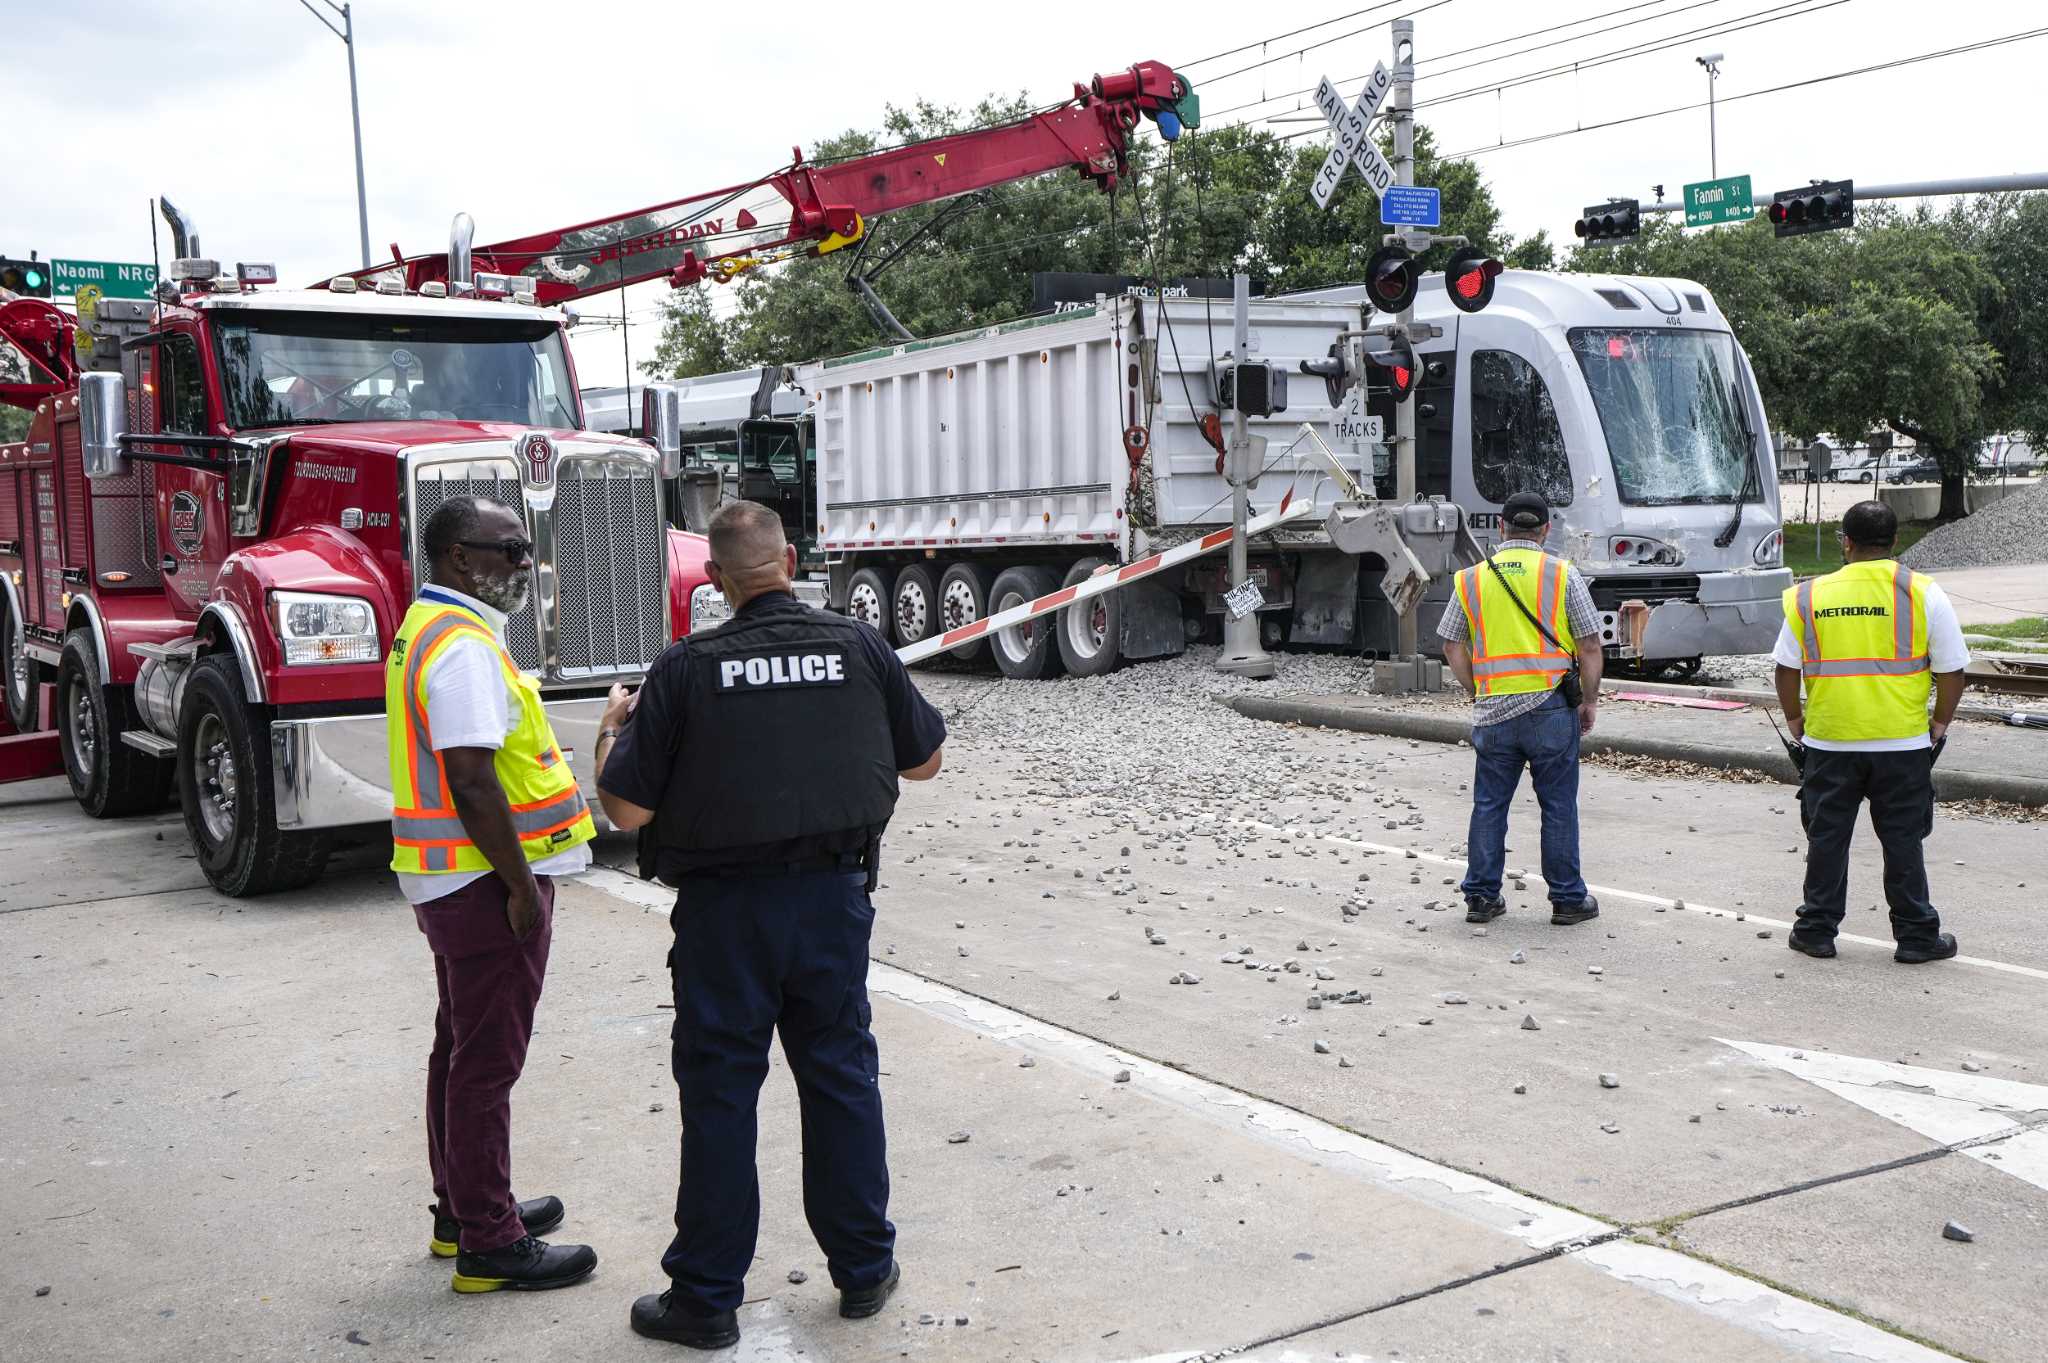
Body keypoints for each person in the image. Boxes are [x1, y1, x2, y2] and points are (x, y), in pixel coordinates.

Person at [595, 500, 946, 1351]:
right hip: (832, 904)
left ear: (715, 580)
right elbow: (925, 758)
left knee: (720, 1097)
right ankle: (864, 1270)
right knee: (840, 1079)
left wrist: (612, 728)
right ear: (789, 559)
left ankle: (706, 1297)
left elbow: (627, 806)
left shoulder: (684, 667)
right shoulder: (858, 645)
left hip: (725, 917)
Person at [387, 495, 599, 1294]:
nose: (522, 563)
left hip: (446, 877)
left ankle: (463, 1207)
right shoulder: (465, 647)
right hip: (481, 882)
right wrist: (520, 887)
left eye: (525, 548)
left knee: (459, 1048)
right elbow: (473, 781)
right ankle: (489, 1241)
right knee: (487, 1063)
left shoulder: (430, 626)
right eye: (507, 550)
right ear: (456, 559)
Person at [1773, 499, 1968, 963]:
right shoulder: (1922, 592)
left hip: (1830, 740)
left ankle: (1816, 930)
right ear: (1894, 542)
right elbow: (1953, 670)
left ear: (1846, 542)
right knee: (1902, 840)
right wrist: (1939, 723)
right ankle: (1917, 936)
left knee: (1827, 839)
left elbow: (1785, 668)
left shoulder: (1809, 594)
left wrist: (1795, 720)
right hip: (1902, 744)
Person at [1438, 490, 1605, 927]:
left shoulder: (1472, 578)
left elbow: (1451, 643)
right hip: (1551, 708)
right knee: (1558, 806)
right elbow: (1589, 645)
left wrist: (1477, 688)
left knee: (1490, 805)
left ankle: (1481, 898)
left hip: (1494, 712)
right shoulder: (1562, 574)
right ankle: (1568, 900)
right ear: (1546, 530)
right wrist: (1588, 701)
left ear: (1501, 527)